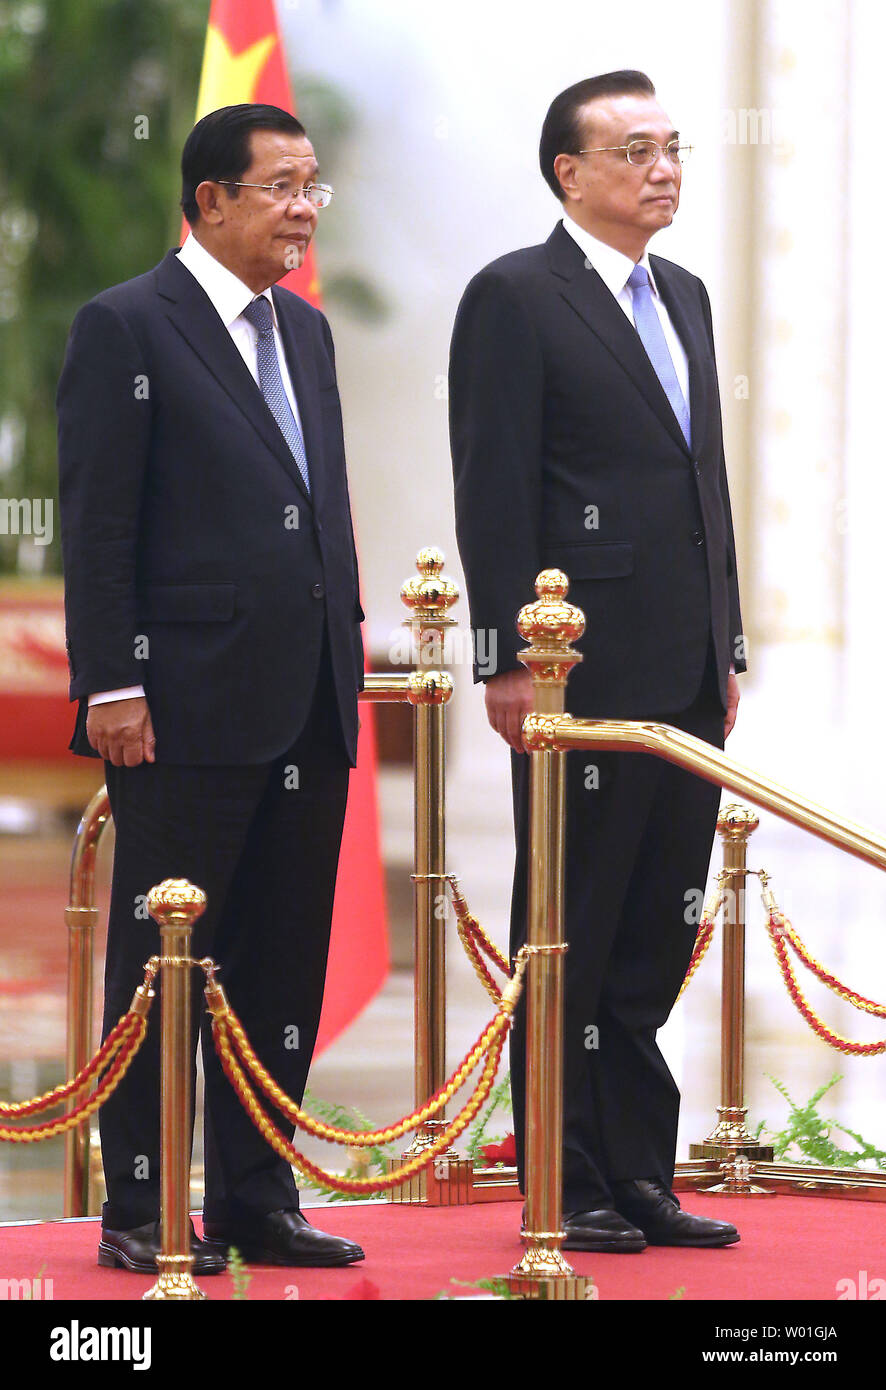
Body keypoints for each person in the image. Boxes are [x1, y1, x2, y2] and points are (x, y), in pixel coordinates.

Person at [57, 103, 366, 1271]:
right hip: (180, 707)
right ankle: (139, 1209)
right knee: (164, 967)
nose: (302, 210)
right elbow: (96, 522)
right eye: (282, 187)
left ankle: (256, 1197)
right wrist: (110, 682)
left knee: (278, 961)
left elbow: (316, 510)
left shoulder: (308, 332)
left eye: (311, 187)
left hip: (308, 702)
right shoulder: (126, 327)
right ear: (210, 201)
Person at [449, 72, 745, 1252]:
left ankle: (637, 1173)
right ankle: (559, 1180)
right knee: (568, 926)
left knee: (652, 935)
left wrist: (725, 642)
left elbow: (697, 491)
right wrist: (505, 659)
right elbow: (491, 487)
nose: (662, 168)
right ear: (569, 172)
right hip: (574, 680)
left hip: (682, 676)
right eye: (634, 151)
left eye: (671, 148)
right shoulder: (515, 296)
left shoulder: (682, 292)